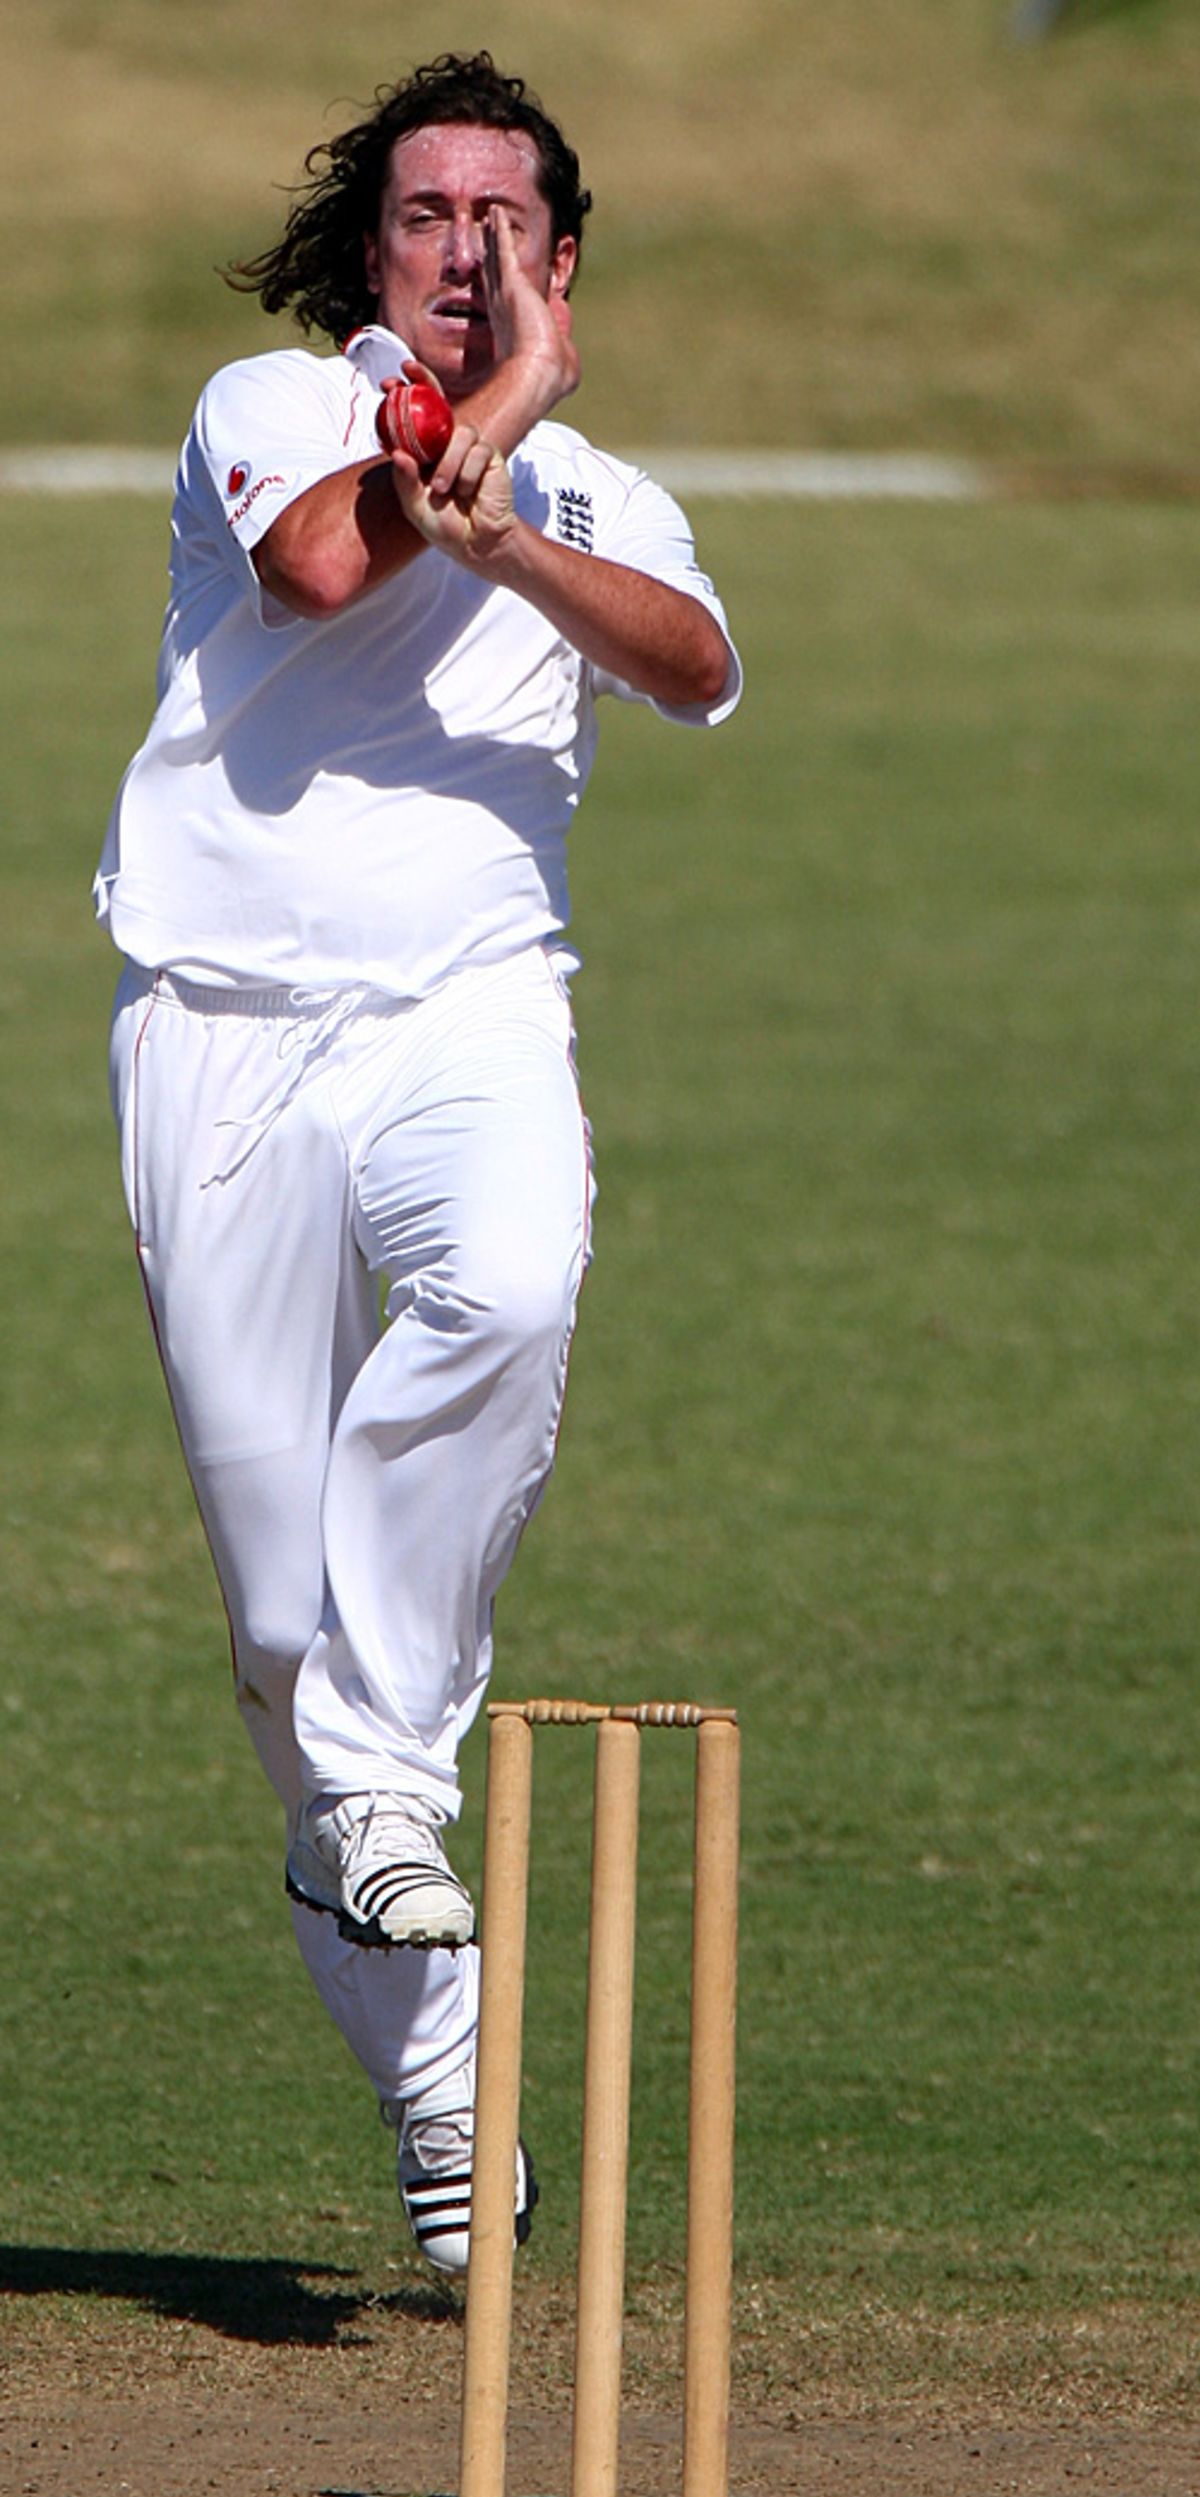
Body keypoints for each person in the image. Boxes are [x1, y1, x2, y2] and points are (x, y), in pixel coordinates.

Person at [97, 51, 741, 2274]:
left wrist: (523, 496)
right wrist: (468, 462)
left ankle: (390, 1768)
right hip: (221, 1032)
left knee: (518, 1278)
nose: (461, 250)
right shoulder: (261, 410)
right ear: (370, 254)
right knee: (282, 1631)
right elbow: (314, 571)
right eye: (422, 216)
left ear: (557, 262)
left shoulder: (607, 499)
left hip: (470, 1004)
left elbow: (696, 665)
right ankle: (446, 2082)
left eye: (504, 222)